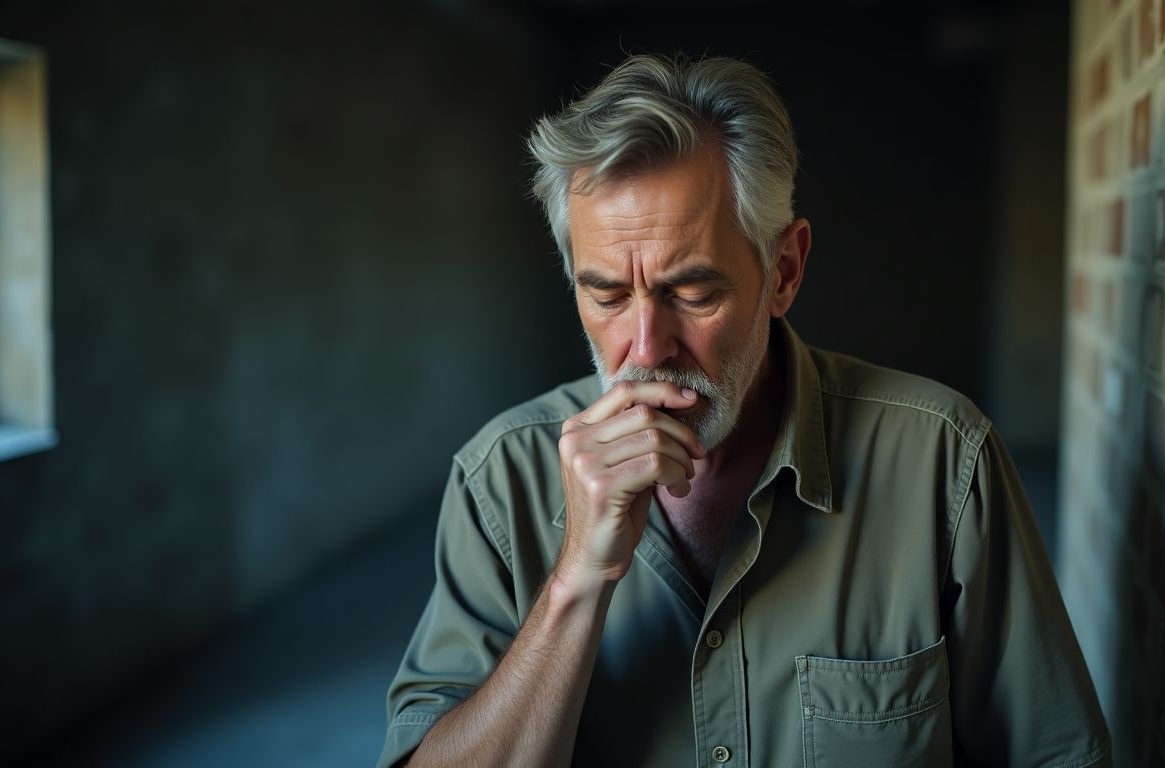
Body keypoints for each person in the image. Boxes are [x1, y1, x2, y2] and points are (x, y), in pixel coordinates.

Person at [378, 53, 1111, 768]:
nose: (645, 348)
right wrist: (575, 582)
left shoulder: (943, 463)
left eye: (693, 293)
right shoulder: (497, 480)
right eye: (605, 294)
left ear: (784, 270)